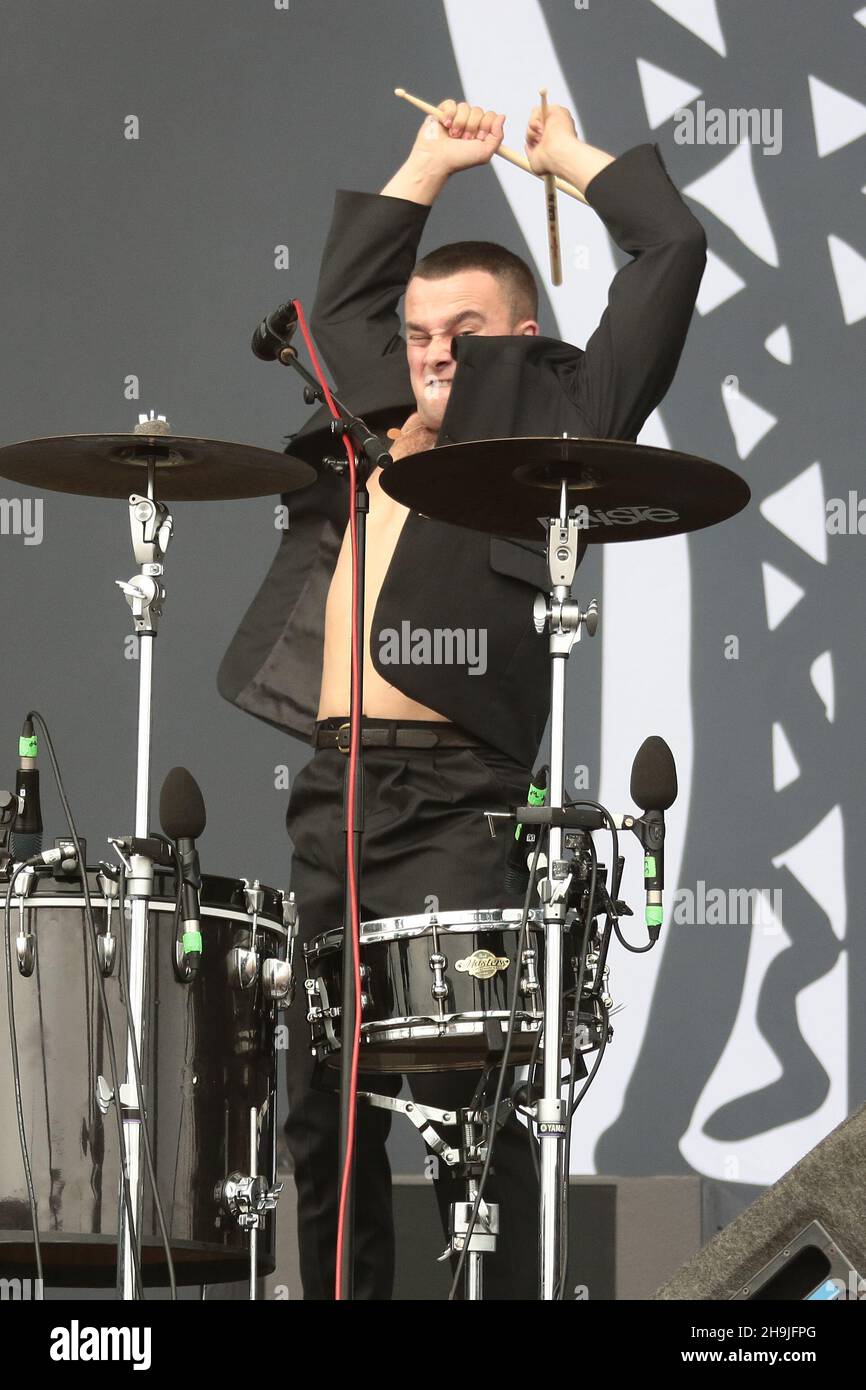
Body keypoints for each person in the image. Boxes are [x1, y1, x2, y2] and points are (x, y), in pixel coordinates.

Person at [219, 98, 707, 1299]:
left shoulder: (552, 433)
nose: (432, 352)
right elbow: (338, 316)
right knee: (321, 1118)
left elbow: (669, 255)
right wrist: (432, 161)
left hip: (460, 806)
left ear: (522, 338)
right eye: (419, 331)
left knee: (470, 1103)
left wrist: (566, 162)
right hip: (332, 799)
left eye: (464, 332)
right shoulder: (372, 430)